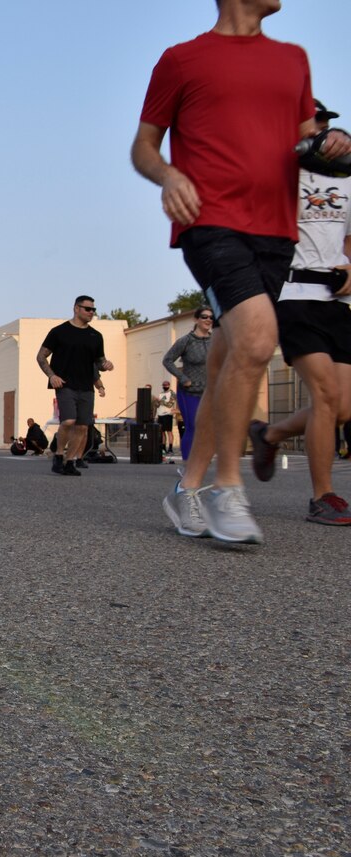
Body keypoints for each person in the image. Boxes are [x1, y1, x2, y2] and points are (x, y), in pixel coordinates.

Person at [132, 0, 351, 543]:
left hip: (277, 232)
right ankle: (226, 489)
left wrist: (328, 146)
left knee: (235, 355)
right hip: (210, 222)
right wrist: (169, 177)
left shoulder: (293, 60)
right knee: (256, 337)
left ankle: (185, 490)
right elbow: (143, 147)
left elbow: (304, 144)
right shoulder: (182, 59)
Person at [247, 99, 351, 525]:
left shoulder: (346, 180)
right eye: (313, 125)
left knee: (343, 408)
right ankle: (322, 496)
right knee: (325, 396)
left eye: (325, 124)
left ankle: (269, 434)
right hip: (295, 295)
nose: (321, 132)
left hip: (338, 301)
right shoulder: (277, 175)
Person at [36, 296, 113, 476]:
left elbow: (100, 362)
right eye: (87, 309)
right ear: (76, 308)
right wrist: (52, 375)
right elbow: (41, 356)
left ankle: (70, 461)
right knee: (69, 421)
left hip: (86, 386)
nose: (91, 313)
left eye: (93, 310)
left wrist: (107, 365)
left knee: (82, 426)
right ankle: (58, 455)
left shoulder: (96, 336)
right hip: (65, 384)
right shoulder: (59, 332)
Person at [162, 306, 214, 461]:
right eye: (204, 317)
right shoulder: (186, 341)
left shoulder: (215, 341)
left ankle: (200, 461)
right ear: (196, 319)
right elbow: (167, 360)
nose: (208, 320)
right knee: (192, 426)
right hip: (189, 391)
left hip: (208, 392)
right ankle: (187, 464)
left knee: (206, 428)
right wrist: (183, 378)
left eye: (211, 318)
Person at [155, 380, 177, 456]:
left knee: (169, 431)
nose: (165, 386)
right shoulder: (161, 394)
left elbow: (169, 404)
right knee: (162, 432)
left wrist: (160, 401)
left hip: (167, 414)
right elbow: (158, 405)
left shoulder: (172, 393)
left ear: (169, 385)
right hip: (160, 415)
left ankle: (170, 448)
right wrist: (156, 402)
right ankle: (163, 448)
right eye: (163, 385)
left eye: (166, 385)